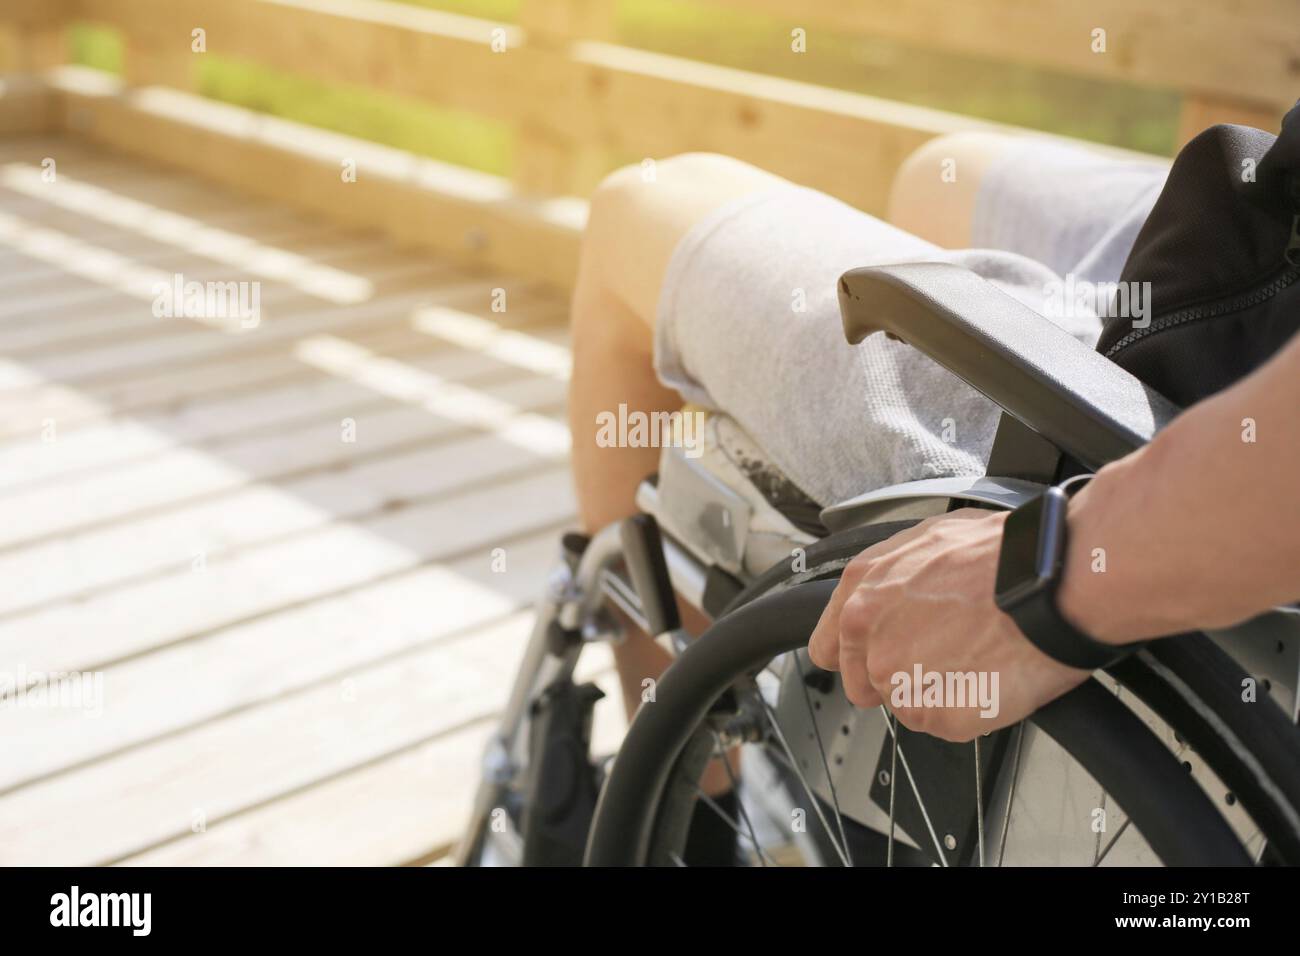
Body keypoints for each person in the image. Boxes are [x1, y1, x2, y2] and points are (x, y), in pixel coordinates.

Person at [566, 131, 1300, 743]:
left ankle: (687, 806)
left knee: (637, 207)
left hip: (1173, 419)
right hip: (1250, 251)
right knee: (939, 175)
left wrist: (1053, 566)